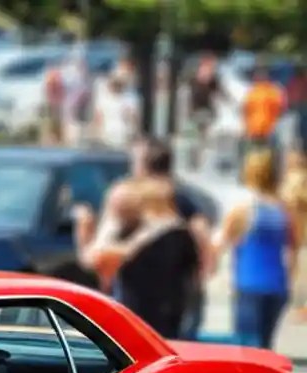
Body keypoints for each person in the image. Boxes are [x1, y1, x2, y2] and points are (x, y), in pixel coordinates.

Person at [83, 178, 199, 339]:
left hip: (155, 317)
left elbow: (104, 256)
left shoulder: (170, 235)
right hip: (142, 314)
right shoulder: (133, 230)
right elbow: (95, 259)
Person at [213, 150, 299, 348]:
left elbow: (220, 243)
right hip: (277, 285)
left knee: (247, 347)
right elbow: (292, 250)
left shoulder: (244, 209)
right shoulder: (284, 210)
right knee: (266, 346)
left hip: (249, 284)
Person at [187, 53, 225, 171]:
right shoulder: (199, 79)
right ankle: (196, 160)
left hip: (203, 111)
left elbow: (219, 93)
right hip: (200, 111)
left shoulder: (207, 79)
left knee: (201, 137)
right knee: (198, 137)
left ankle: (197, 160)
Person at [242, 65, 285, 170]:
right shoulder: (254, 92)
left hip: (267, 128)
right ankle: (253, 173)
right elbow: (246, 110)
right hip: (255, 128)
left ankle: (264, 174)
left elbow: (278, 110)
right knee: (254, 153)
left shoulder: (272, 91)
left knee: (266, 154)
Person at [281, 152, 307, 321]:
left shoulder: (297, 179)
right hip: (295, 230)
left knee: (299, 265)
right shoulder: (294, 178)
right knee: (295, 265)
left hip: (299, 230)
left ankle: (300, 304)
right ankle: (298, 303)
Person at [93, 73, 141, 150]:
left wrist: (134, 132)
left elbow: (133, 117)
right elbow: (99, 117)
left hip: (125, 134)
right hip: (107, 134)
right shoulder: (103, 99)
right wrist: (98, 132)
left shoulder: (130, 98)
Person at [40, 66, 65, 146]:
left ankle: (56, 137)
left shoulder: (54, 79)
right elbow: (49, 92)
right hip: (53, 104)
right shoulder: (52, 80)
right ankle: (52, 138)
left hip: (56, 104)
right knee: (51, 121)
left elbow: (59, 92)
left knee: (55, 121)